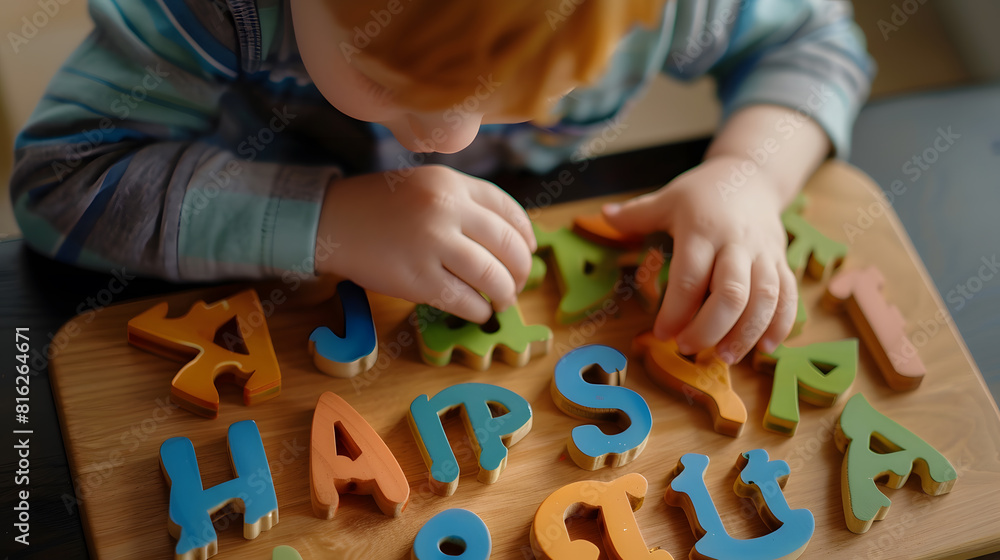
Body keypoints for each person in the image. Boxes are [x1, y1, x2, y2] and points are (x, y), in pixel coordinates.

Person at [10, 0, 873, 364]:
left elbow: (816, 43)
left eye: (535, 96)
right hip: (251, 223)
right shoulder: (215, 10)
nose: (445, 139)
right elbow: (63, 179)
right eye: (384, 82)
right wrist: (332, 220)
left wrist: (748, 175)